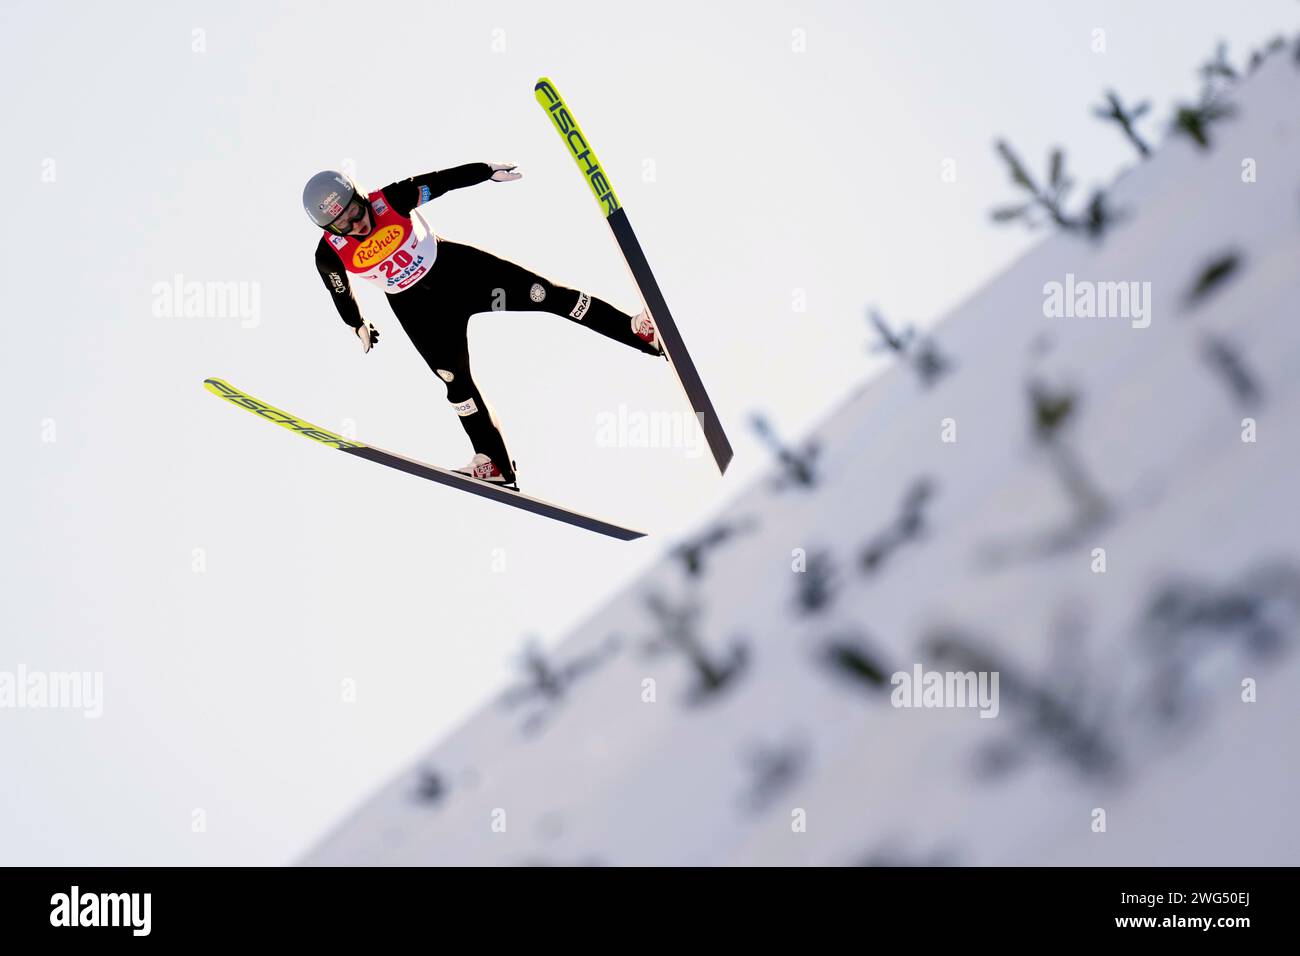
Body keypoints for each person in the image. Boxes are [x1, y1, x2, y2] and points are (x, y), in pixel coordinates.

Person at [303, 164, 663, 488]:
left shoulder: (393, 200)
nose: (356, 225)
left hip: (461, 275)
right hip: (421, 312)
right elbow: (340, 291)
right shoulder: (329, 254)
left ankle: (636, 331)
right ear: (329, 228)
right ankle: (494, 463)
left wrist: (485, 171)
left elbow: (440, 182)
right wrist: (357, 323)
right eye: (343, 224)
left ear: (360, 196)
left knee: (547, 296)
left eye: (354, 211)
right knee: (455, 384)